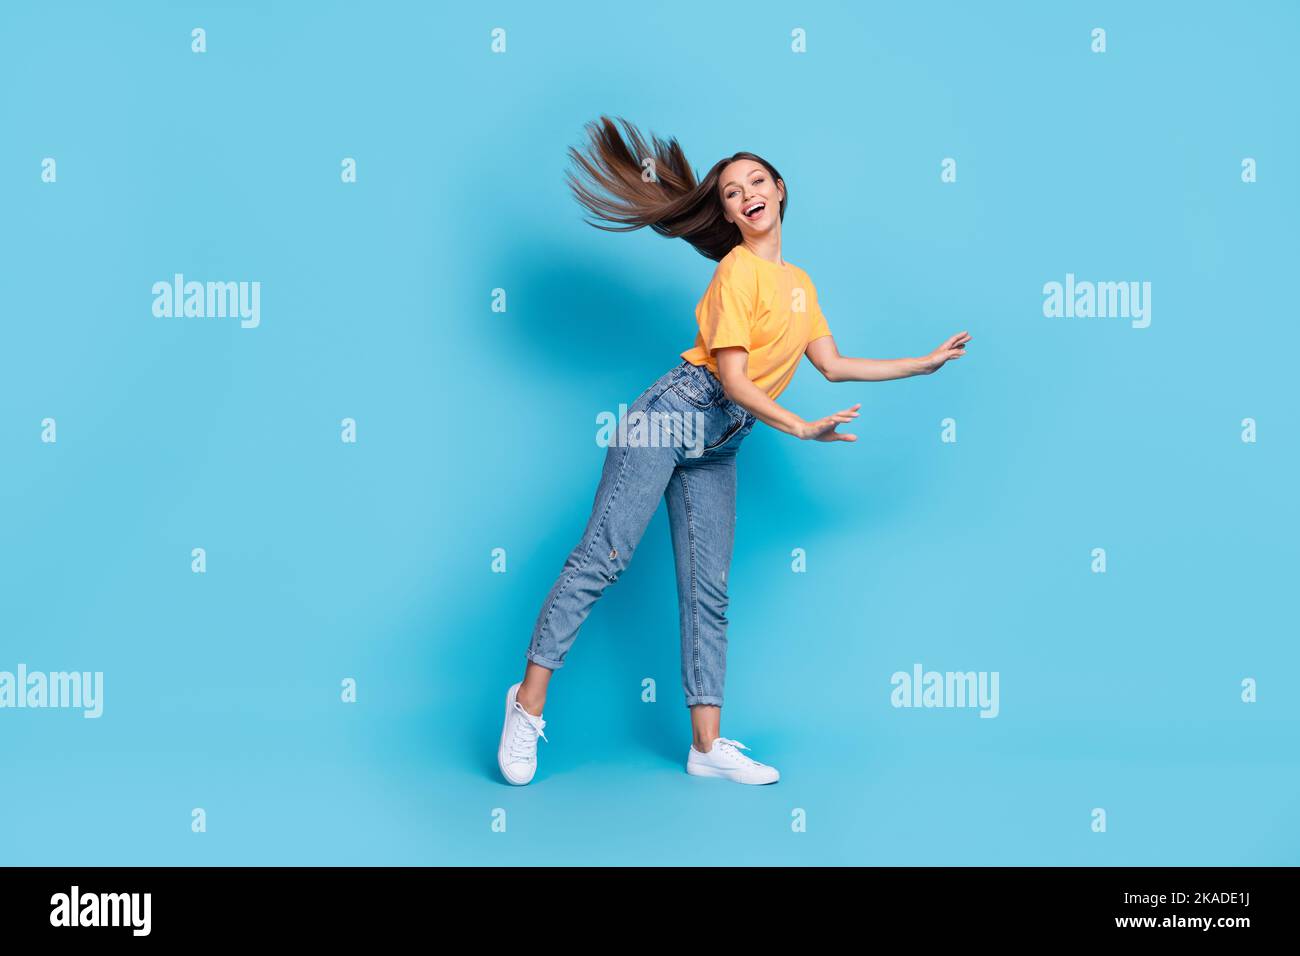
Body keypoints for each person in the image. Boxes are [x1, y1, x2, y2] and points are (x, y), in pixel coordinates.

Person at [498, 116, 971, 786]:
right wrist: (802, 428)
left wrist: (920, 364)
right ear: (727, 213)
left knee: (709, 591)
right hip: (672, 417)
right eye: (729, 192)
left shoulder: (799, 284)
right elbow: (739, 383)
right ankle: (526, 706)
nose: (745, 193)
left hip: (720, 441)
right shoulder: (735, 273)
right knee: (603, 558)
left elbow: (832, 365)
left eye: (755, 181)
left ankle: (706, 747)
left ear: (779, 191)